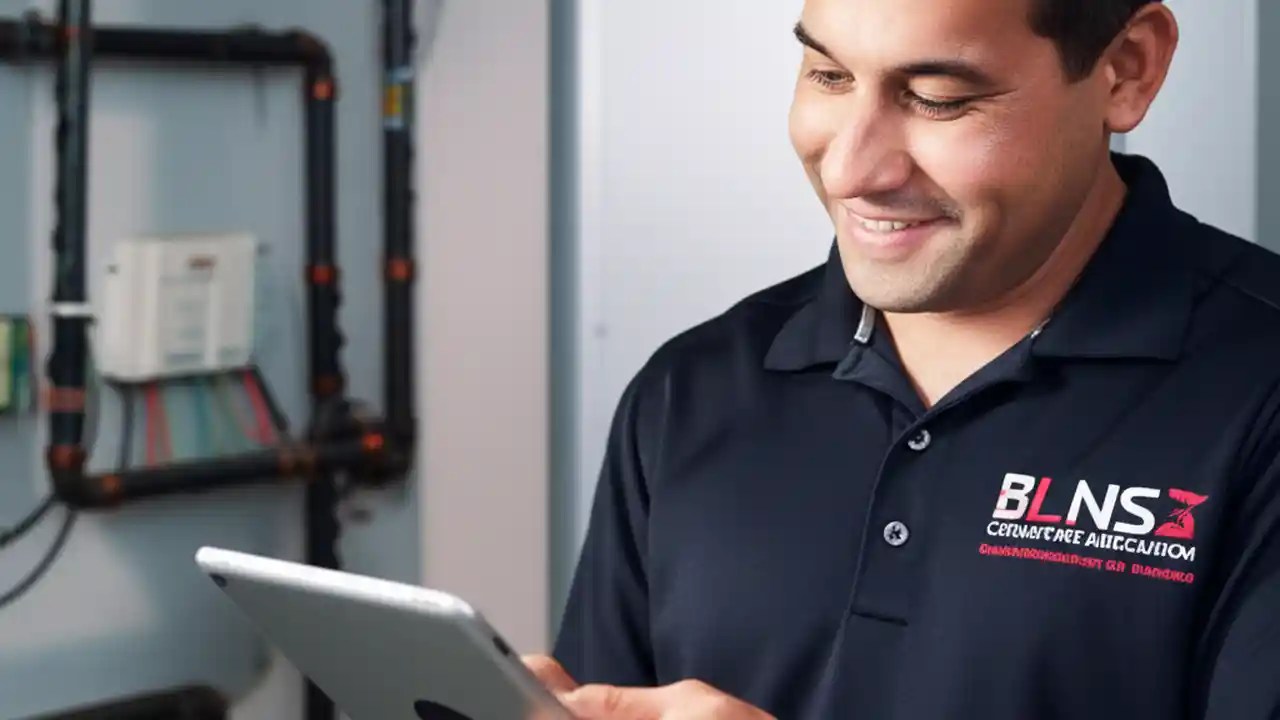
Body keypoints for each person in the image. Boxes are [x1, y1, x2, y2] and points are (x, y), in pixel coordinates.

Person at [528, 0, 1280, 717]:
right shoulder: (690, 390)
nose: (851, 172)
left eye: (936, 98)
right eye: (828, 76)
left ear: (1127, 68)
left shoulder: (1258, 395)